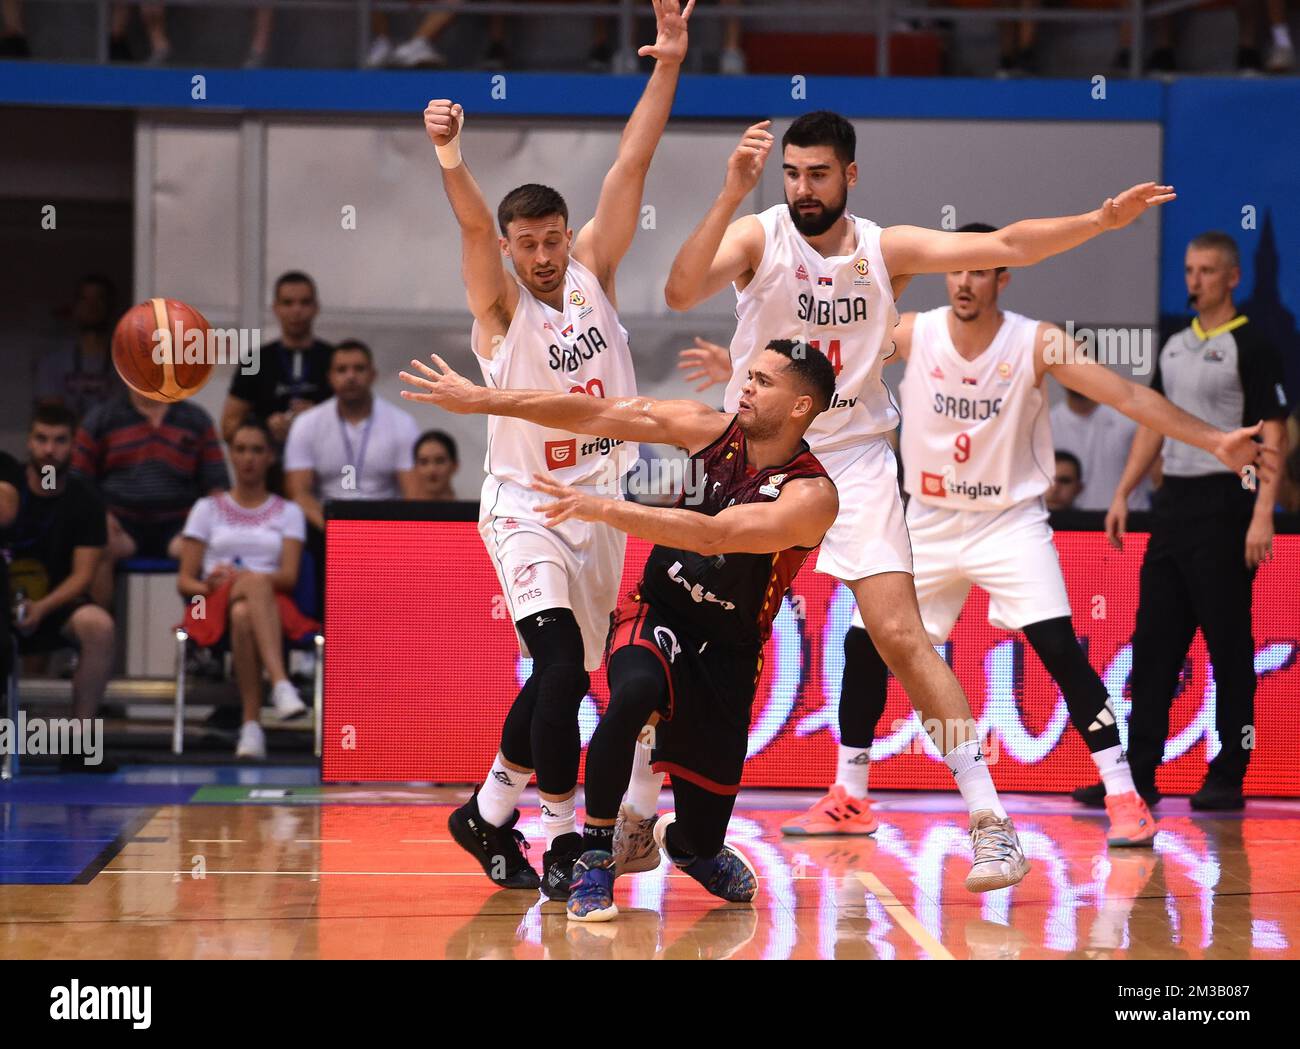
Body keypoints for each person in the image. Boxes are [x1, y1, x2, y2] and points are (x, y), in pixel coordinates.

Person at [665, 109, 1176, 888]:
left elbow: (1004, 246)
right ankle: (638, 816)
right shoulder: (757, 236)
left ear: (850, 176)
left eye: (819, 174)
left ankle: (990, 821)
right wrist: (731, 191)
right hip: (762, 451)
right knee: (696, 632)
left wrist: (1102, 221)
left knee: (900, 635)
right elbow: (676, 290)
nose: (803, 188)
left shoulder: (885, 247)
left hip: (856, 458)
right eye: (793, 173)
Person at [401, 341, 839, 920]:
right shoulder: (707, 427)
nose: (745, 387)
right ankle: (593, 856)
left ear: (802, 405)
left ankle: (689, 847)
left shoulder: (812, 495)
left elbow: (713, 537)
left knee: (700, 835)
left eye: (763, 381)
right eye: (748, 375)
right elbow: (592, 413)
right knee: (631, 693)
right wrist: (482, 399)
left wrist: (603, 509)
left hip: (729, 651)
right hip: (658, 610)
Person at [417, 0, 692, 899]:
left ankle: (486, 812)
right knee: (564, 669)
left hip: (602, 509)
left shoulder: (593, 271)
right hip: (526, 508)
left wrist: (667, 64)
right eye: (525, 244)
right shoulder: (500, 309)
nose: (541, 255)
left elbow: (632, 161)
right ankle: (567, 836)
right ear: (509, 247)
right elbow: (465, 227)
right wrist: (452, 153)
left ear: (566, 236)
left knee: (561, 680)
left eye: (550, 240)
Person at [1088, 231, 1288, 811]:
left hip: (1226, 504)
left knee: (1228, 644)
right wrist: (1124, 491)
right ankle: (1139, 774)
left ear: (1232, 277)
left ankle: (1228, 771)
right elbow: (1154, 422)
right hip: (1172, 507)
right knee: (1154, 644)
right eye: (1188, 269)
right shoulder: (1174, 345)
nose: (1193, 280)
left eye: (1205, 270)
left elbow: (1272, 434)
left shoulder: (1255, 344)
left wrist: (1262, 514)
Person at [177, 418, 315, 760]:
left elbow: (288, 576)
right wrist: (208, 584)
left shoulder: (289, 511)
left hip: (273, 603)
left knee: (245, 609)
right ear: (231, 456)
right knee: (245, 593)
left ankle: (250, 726)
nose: (248, 458)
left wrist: (248, 580)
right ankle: (281, 684)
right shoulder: (205, 509)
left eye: (257, 450)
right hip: (211, 602)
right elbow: (186, 581)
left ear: (270, 456)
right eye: (240, 450)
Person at [0, 405, 115, 769]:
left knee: (100, 626)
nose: (50, 450)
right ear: (29, 442)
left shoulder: (85, 499)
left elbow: (83, 575)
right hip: (4, 601)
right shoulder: (8, 489)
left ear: (74, 445)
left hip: (54, 603)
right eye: (42, 439)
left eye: (60, 440)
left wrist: (42, 608)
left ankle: (80, 744)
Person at [74, 388, 230, 608]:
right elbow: (78, 482)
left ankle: (200, 631)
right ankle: (102, 624)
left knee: (214, 546)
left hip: (180, 525)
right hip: (121, 525)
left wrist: (211, 528)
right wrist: (99, 514)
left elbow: (217, 486)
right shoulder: (101, 418)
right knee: (99, 538)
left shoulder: (196, 419)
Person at [220, 271, 333, 447]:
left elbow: (361, 420)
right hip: (270, 467)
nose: (297, 310)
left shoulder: (336, 360)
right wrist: (265, 427)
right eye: (288, 303)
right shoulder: (254, 361)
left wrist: (323, 418)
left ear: (316, 307)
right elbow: (228, 428)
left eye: (304, 302)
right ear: (275, 308)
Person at [33, 274, 127, 421]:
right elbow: (52, 418)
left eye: (99, 299)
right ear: (75, 307)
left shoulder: (127, 363)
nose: (92, 306)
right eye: (85, 299)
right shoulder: (53, 362)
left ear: (110, 305)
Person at [1050, 388, 1152, 510]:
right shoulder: (1044, 424)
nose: (1078, 371)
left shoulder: (1132, 421)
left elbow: (1158, 472)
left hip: (1128, 522)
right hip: (1066, 524)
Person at [411, 430, 460, 501]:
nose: (432, 469)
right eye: (424, 462)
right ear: (415, 467)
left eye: (440, 461)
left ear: (455, 465)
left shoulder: (477, 510)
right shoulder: (399, 511)